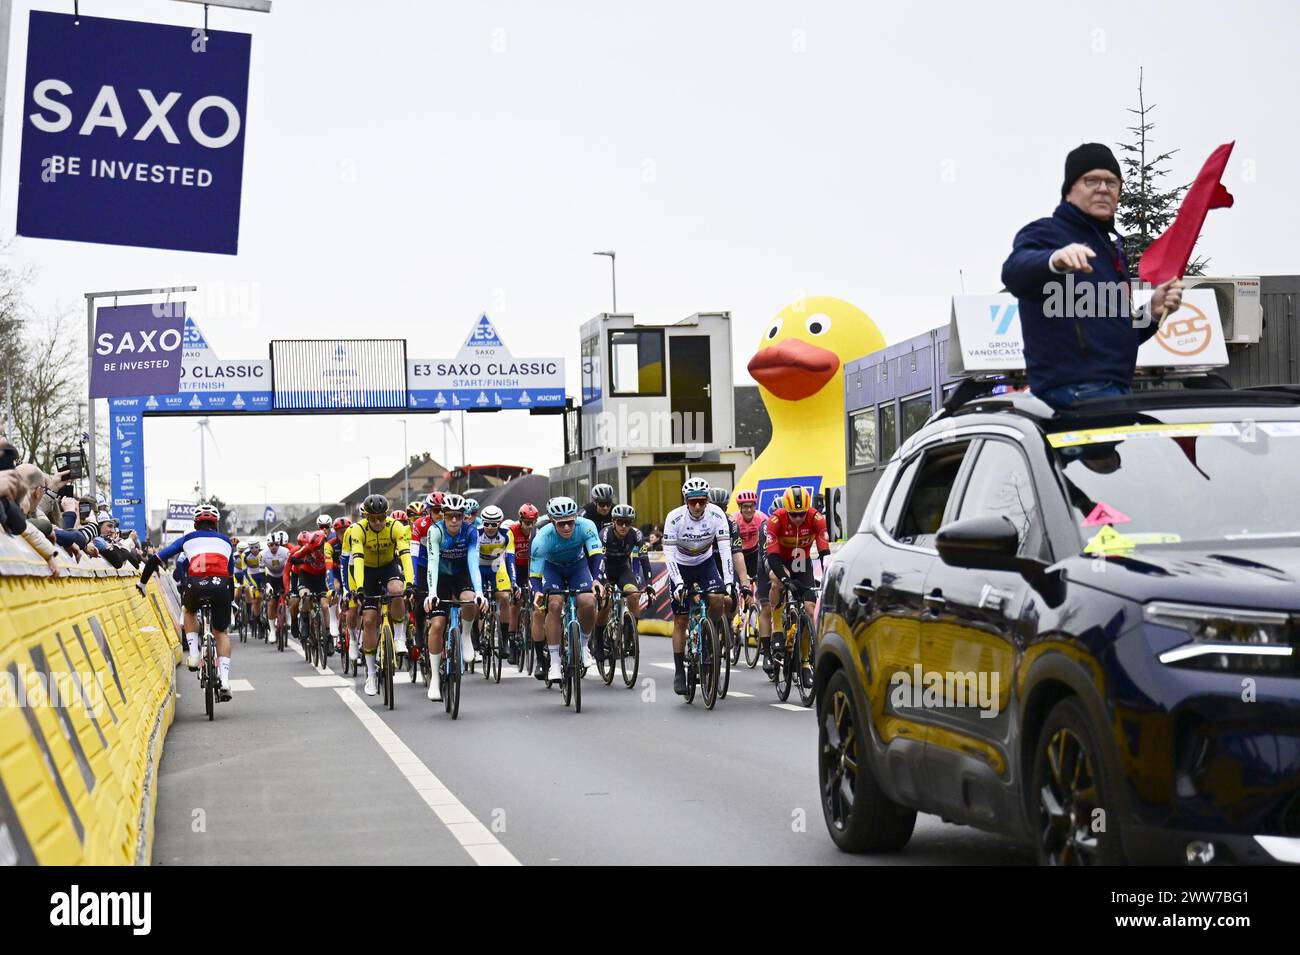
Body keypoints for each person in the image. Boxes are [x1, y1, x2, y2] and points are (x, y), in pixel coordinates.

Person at [1001, 142, 1185, 410]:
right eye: (1091, 180)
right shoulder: (1045, 233)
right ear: (1068, 191)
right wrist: (1055, 260)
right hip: (1071, 393)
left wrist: (1153, 312)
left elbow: (1118, 333)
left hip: (1116, 389)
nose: (1103, 189)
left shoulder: (1110, 250)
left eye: (1111, 182)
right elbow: (1013, 271)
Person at [137, 504, 237, 700]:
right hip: (221, 586)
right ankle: (224, 681)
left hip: (196, 585)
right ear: (215, 524)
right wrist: (230, 600)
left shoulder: (188, 538)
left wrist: (142, 583)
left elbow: (154, 559)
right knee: (220, 632)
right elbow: (230, 574)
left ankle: (192, 654)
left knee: (189, 610)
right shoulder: (226, 541)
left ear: (195, 523)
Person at [662, 478, 733, 696]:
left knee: (718, 598)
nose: (698, 506)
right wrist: (679, 583)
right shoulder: (674, 518)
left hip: (705, 562)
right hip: (680, 565)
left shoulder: (717, 515)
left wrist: (729, 582)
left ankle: (709, 635)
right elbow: (669, 555)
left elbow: (725, 550)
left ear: (707, 500)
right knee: (681, 619)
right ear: (686, 502)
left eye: (702, 501)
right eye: (693, 502)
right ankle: (679, 672)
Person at [528, 496, 605, 681]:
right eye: (561, 524)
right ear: (553, 521)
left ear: (575, 519)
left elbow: (596, 556)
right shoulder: (542, 538)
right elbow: (535, 575)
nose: (567, 528)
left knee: (588, 601)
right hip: (552, 568)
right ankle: (554, 662)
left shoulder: (586, 526)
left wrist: (596, 580)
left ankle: (584, 645)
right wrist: (537, 592)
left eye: (570, 523)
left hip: (577, 566)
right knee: (554, 604)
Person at [347, 494, 414, 697]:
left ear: (386, 515)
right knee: (368, 621)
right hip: (366, 571)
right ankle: (372, 674)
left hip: (387, 567)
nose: (377, 522)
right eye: (372, 518)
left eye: (381, 517)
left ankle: (400, 637)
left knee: (397, 590)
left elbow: (405, 556)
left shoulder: (396, 527)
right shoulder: (357, 530)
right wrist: (359, 588)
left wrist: (409, 582)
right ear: (366, 516)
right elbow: (357, 560)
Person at [422, 494, 487, 701]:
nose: (454, 521)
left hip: (461, 574)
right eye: (449, 516)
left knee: (469, 600)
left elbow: (473, 562)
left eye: (458, 516)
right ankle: (434, 678)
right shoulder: (435, 531)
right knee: (438, 624)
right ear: (443, 515)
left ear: (464, 516)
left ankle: (466, 635)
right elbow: (432, 561)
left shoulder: (471, 532)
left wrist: (479, 592)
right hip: (440, 577)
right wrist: (431, 592)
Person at [765, 486, 829, 690]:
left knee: (810, 610)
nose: (799, 518)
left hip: (802, 562)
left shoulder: (817, 518)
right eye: (794, 515)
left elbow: (824, 551)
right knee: (776, 581)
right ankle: (777, 630)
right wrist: (785, 578)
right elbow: (772, 555)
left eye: (802, 514)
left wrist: (828, 573)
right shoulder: (776, 520)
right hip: (779, 560)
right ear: (787, 511)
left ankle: (804, 664)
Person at [595, 503, 654, 658]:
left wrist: (650, 585)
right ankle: (599, 641)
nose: (623, 526)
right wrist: (605, 582)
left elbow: (644, 560)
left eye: (627, 523)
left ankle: (630, 636)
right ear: (613, 522)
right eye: (620, 522)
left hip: (622, 570)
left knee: (634, 594)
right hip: (605, 569)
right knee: (606, 604)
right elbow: (599, 561)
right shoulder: (605, 535)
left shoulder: (637, 535)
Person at [475, 505, 519, 663]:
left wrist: (513, 582)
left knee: (505, 597)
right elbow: (471, 559)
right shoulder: (477, 533)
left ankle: (504, 640)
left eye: (494, 524)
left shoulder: (507, 534)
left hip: (497, 567)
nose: (490, 527)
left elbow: (511, 560)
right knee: (475, 599)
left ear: (499, 523)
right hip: (479, 567)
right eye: (487, 523)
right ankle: (475, 633)